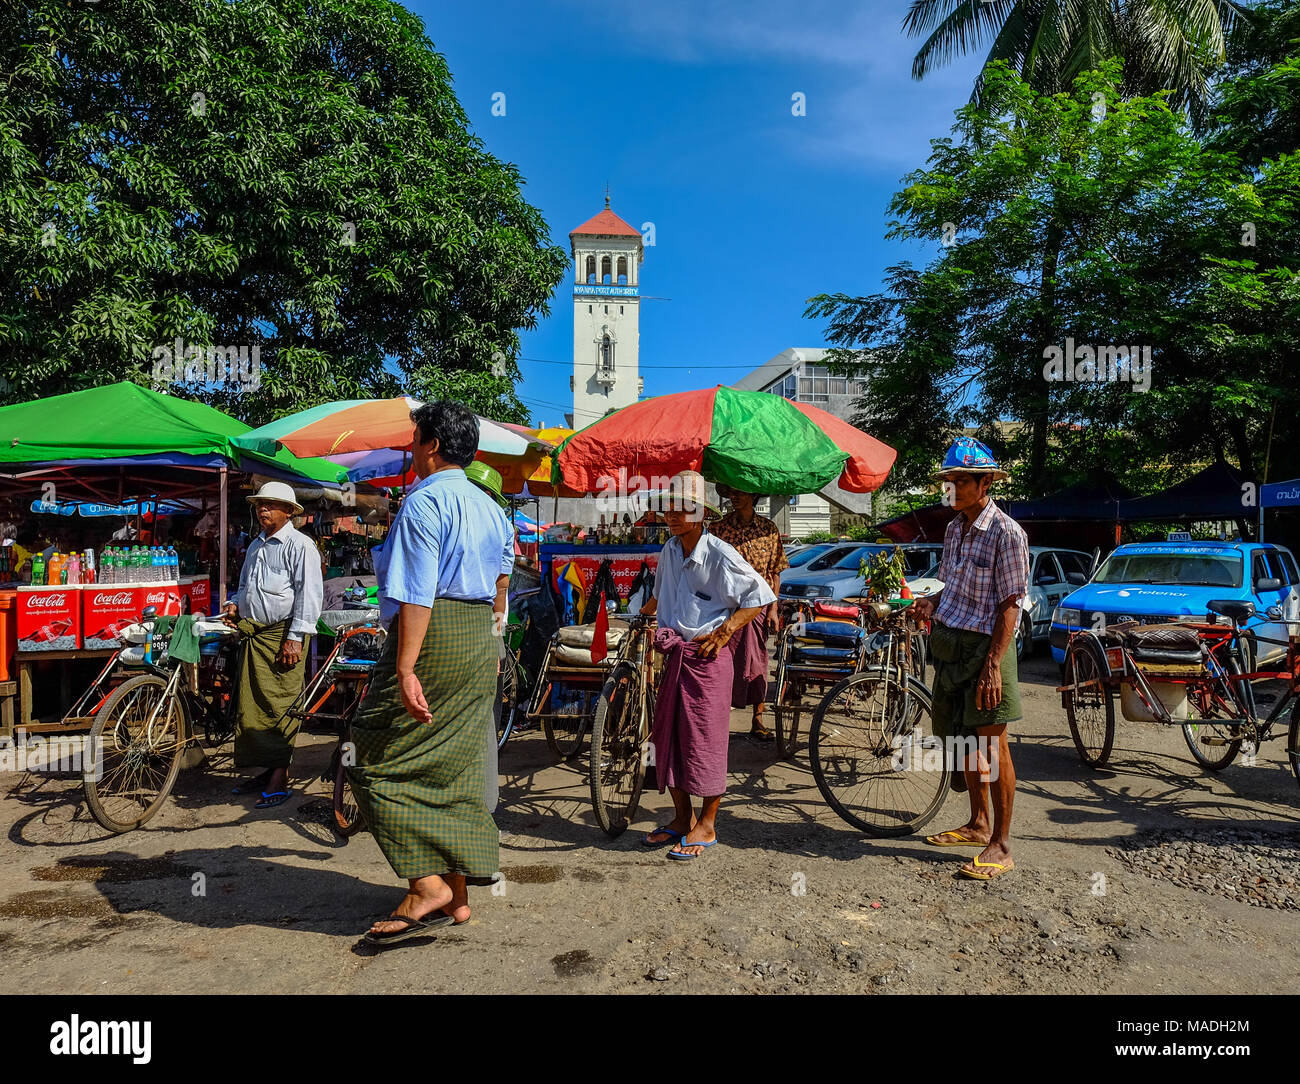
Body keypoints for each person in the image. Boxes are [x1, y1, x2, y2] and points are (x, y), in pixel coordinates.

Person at [348, 401, 513, 945]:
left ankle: (427, 886)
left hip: (434, 631)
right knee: (457, 763)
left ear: (433, 445)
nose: (410, 449)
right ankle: (458, 896)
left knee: (372, 754)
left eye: (414, 440)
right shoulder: (491, 508)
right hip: (476, 636)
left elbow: (418, 591)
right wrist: (490, 646)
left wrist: (404, 665)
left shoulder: (424, 504)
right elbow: (499, 589)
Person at [639, 471, 775, 860]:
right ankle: (683, 818)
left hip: (708, 660)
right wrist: (635, 617)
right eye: (670, 508)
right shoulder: (668, 550)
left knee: (706, 743)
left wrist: (725, 630)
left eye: (684, 509)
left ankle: (708, 823)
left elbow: (759, 595)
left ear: (701, 514)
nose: (673, 515)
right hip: (675, 656)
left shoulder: (719, 553)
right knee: (669, 739)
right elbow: (659, 595)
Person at [910, 438, 1029, 881]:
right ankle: (978, 823)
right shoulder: (954, 528)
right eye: (950, 480)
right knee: (959, 740)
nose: (954, 488)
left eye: (963, 481)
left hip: (987, 649)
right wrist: (929, 603)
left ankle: (1001, 844)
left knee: (992, 745)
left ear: (985, 483)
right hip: (951, 643)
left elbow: (1010, 605)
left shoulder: (1007, 533)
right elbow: (951, 586)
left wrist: (994, 664)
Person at [223, 481, 324, 809]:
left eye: (270, 504)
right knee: (252, 709)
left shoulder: (301, 545)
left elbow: (309, 595)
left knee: (281, 706)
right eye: (259, 504)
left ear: (288, 511)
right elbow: (244, 583)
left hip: (283, 637)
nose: (262, 509)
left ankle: (281, 775)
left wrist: (295, 638)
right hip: (255, 637)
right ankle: (265, 771)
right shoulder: (256, 545)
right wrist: (236, 603)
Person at [712, 484, 789, 741]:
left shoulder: (768, 529)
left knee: (757, 663)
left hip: (759, 607)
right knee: (722, 663)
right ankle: (717, 720)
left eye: (740, 492)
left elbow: (775, 572)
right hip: (725, 607)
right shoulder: (718, 529)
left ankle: (758, 719)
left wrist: (774, 609)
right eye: (732, 493)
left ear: (753, 495)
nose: (735, 497)